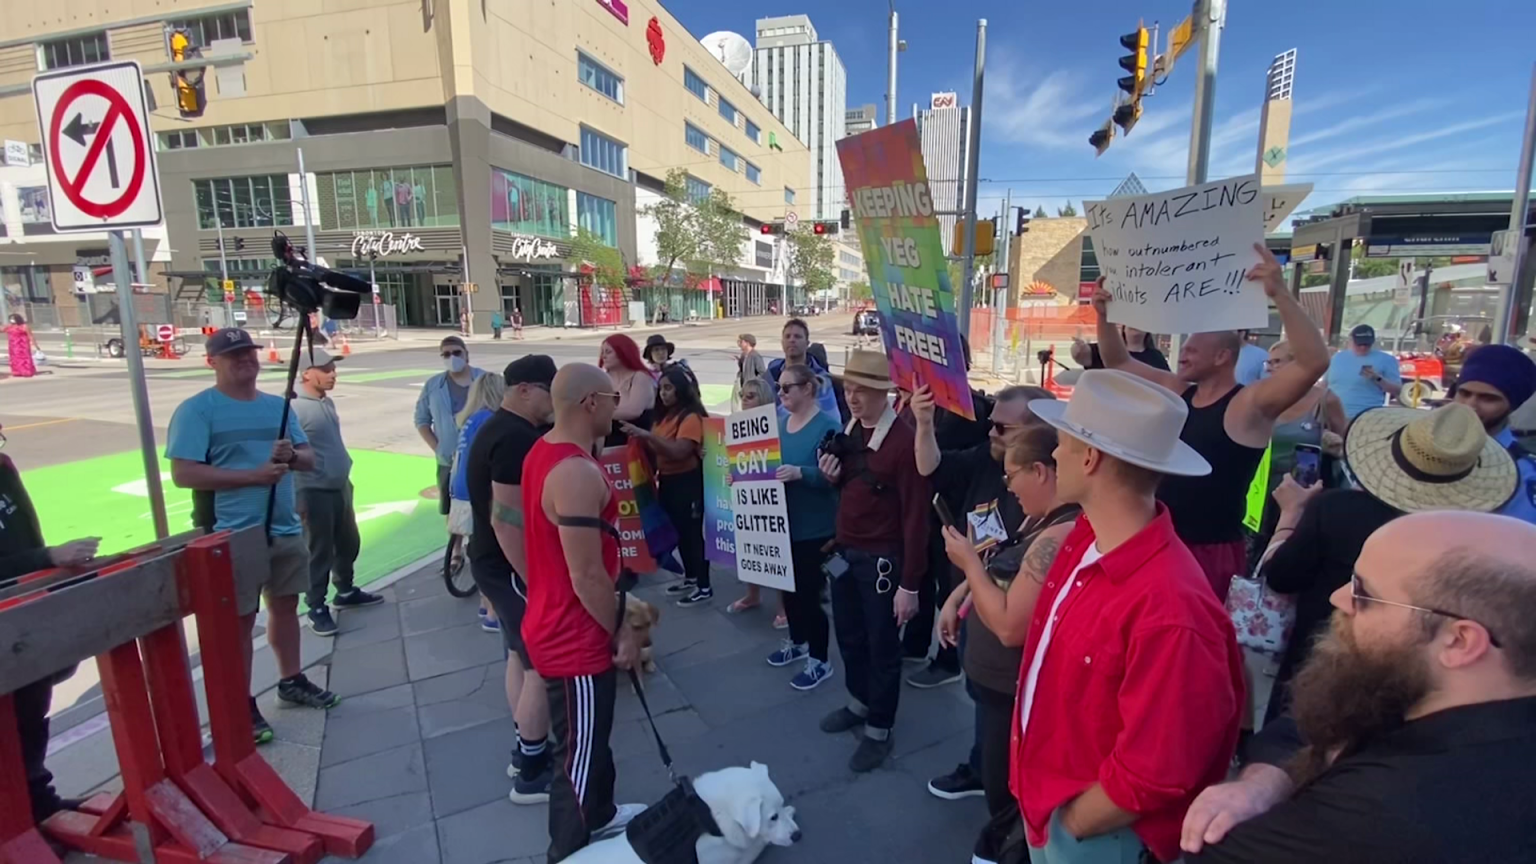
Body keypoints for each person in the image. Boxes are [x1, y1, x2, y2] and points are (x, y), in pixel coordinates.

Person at [1181, 511, 1536, 863]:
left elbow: (1218, 851)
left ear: (1459, 642)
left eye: (1363, 593)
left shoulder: (1386, 814)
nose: (1339, 598)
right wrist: (1265, 780)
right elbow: (1306, 725)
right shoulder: (1441, 688)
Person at [1014, 369, 1245, 864]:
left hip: (1098, 837)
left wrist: (1070, 822)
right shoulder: (1086, 536)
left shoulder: (1172, 609)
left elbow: (1157, 769)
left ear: (1091, 458)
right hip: (1062, 805)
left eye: (1061, 443)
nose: (1054, 455)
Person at [1254, 402, 1518, 727]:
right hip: (1415, 684)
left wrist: (1290, 515)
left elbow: (1281, 576)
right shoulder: (1473, 539)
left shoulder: (1337, 509)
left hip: (1320, 666)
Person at [1092, 245, 1330, 600]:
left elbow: (1313, 362)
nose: (1182, 354)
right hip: (1158, 538)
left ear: (1222, 357)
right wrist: (1104, 316)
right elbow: (1118, 362)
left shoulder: (1249, 404)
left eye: (1192, 349)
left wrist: (1279, 293)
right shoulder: (1179, 390)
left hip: (1209, 551)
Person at [167, 329, 338, 745]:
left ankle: (291, 680)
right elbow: (184, 472)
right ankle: (239, 702)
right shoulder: (197, 411)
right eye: (233, 355)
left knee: (285, 606)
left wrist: (291, 458)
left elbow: (308, 457)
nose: (244, 360)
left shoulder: (277, 407)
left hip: (283, 526)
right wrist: (252, 476)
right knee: (239, 621)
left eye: (248, 352)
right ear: (212, 362)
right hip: (231, 533)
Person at [936, 427, 1080, 857]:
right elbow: (1000, 566)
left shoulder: (1058, 534)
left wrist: (966, 565)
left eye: (1011, 475)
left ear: (1040, 471)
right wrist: (959, 597)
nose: (1008, 487)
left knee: (1006, 792)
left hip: (1010, 690)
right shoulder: (1040, 520)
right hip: (996, 686)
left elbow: (1008, 625)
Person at [521, 363, 645, 860]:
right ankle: (567, 852)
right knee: (576, 757)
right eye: (613, 397)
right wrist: (623, 630)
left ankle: (603, 814)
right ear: (591, 402)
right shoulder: (574, 471)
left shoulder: (544, 452)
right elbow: (587, 574)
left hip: (560, 623)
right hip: (574, 638)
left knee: (591, 741)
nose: (618, 405)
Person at [913, 384, 1048, 799]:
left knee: (1006, 709)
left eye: (1003, 428)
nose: (991, 433)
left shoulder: (1052, 507)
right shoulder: (984, 459)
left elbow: (1013, 611)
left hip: (1010, 616)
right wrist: (922, 422)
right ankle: (983, 765)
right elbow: (930, 467)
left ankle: (1006, 788)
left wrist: (970, 568)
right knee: (984, 700)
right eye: (991, 423)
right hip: (977, 604)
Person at [815, 350, 931, 772]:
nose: (854, 397)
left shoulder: (902, 442)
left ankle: (880, 728)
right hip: (848, 553)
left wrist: (911, 585)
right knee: (848, 637)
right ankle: (859, 703)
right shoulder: (852, 429)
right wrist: (832, 479)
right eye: (850, 388)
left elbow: (917, 518)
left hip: (883, 561)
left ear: (885, 393)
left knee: (883, 646)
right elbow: (851, 492)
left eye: (863, 390)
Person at [465, 355, 559, 805]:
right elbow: (506, 519)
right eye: (548, 390)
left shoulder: (500, 428)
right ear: (524, 389)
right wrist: (534, 579)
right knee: (540, 664)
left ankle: (526, 745)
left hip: (493, 563)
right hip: (509, 566)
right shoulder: (513, 437)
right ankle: (531, 768)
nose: (552, 400)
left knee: (518, 656)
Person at [1, 427, 100, 824]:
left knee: (31, 710)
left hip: (24, 613)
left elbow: (26, 536)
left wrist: (49, 567)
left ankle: (38, 800)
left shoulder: (4, 469)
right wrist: (47, 556)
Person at [290, 347, 381, 638]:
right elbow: (285, 455)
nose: (333, 374)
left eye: (333, 368)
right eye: (325, 369)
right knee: (318, 550)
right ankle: (316, 605)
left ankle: (345, 589)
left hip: (339, 485)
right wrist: (298, 496)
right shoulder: (293, 409)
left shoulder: (325, 402)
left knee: (348, 541)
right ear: (306, 373)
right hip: (313, 490)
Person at [763, 363, 843, 690]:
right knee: (789, 591)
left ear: (808, 389)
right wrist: (742, 478)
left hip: (815, 528)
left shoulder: (829, 427)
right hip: (783, 524)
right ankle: (797, 641)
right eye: (779, 388)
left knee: (810, 595)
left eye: (787, 388)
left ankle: (820, 659)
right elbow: (764, 467)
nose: (780, 394)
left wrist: (802, 474)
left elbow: (836, 477)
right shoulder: (779, 426)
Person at [1249, 339, 1348, 556]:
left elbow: (1347, 447)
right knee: (1257, 553)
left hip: (1305, 495)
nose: (1271, 368)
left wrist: (1332, 443)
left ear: (1297, 363)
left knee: (1293, 554)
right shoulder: (1260, 397)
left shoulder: (1325, 399)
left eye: (1277, 362)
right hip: (1262, 492)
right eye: (1269, 363)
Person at [622, 365, 711, 605]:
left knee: (693, 535)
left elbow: (680, 451)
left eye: (669, 388)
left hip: (688, 481)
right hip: (668, 481)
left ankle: (704, 586)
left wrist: (647, 436)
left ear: (681, 390)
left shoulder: (690, 417)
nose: (663, 393)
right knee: (679, 532)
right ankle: (691, 577)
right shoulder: (662, 417)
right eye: (661, 388)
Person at [415, 335, 487, 569]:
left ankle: (482, 546)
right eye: (446, 354)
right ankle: (455, 550)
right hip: (449, 459)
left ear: (467, 354)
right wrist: (438, 448)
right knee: (451, 504)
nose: (452, 358)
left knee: (483, 503)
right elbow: (421, 420)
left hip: (481, 456)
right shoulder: (434, 386)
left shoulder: (484, 380)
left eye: (456, 352)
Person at [725, 377, 789, 627]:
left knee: (777, 550)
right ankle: (752, 595)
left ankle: (783, 607)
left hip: (773, 497)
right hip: (748, 497)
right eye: (743, 395)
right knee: (750, 546)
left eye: (750, 395)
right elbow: (738, 460)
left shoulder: (779, 425)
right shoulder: (738, 427)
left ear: (764, 397)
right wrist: (734, 476)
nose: (744, 400)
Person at [1450, 342, 1536, 523]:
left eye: (1488, 399)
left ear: (1512, 405)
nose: (1470, 406)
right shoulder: (1423, 446)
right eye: (1464, 393)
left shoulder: (1523, 472)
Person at [451, 372, 509, 632]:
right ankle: (494, 612)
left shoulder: (471, 419)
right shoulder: (490, 419)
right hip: (479, 493)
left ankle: (486, 605)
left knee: (478, 549)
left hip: (461, 492)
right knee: (493, 551)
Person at [1326, 324, 1402, 419]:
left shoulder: (1386, 360)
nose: (1363, 347)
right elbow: (1324, 385)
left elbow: (1398, 390)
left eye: (1367, 344)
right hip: (1332, 416)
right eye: (1359, 344)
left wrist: (1378, 378)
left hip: (1366, 417)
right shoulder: (1337, 358)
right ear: (1351, 340)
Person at [768, 318, 839, 420]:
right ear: (782, 343)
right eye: (787, 336)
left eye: (797, 336)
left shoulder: (822, 380)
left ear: (807, 343)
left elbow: (830, 417)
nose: (792, 340)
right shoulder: (771, 373)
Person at [599, 333, 655, 447]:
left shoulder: (640, 377)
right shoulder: (603, 378)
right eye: (602, 352)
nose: (603, 356)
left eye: (608, 352)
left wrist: (597, 414)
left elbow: (633, 411)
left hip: (636, 446)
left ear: (623, 353)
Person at [1071, 326, 1168, 372]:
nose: (1135, 324)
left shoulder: (1156, 357)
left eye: (1140, 322)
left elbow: (1167, 385)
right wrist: (1078, 349)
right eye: (1131, 321)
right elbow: (1083, 356)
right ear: (1123, 329)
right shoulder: (1108, 349)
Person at [732, 333, 769, 412]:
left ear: (747, 343)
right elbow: (743, 370)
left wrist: (754, 383)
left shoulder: (755, 356)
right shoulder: (744, 355)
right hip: (744, 388)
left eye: (741, 342)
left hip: (751, 390)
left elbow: (762, 372)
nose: (739, 344)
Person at [6, 313, 39, 378]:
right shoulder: (9, 326)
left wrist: (34, 344)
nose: (12, 320)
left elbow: (30, 335)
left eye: (13, 319)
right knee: (14, 359)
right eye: (10, 319)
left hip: (22, 345)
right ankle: (17, 372)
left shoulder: (24, 326)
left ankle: (27, 371)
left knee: (24, 359)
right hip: (13, 345)